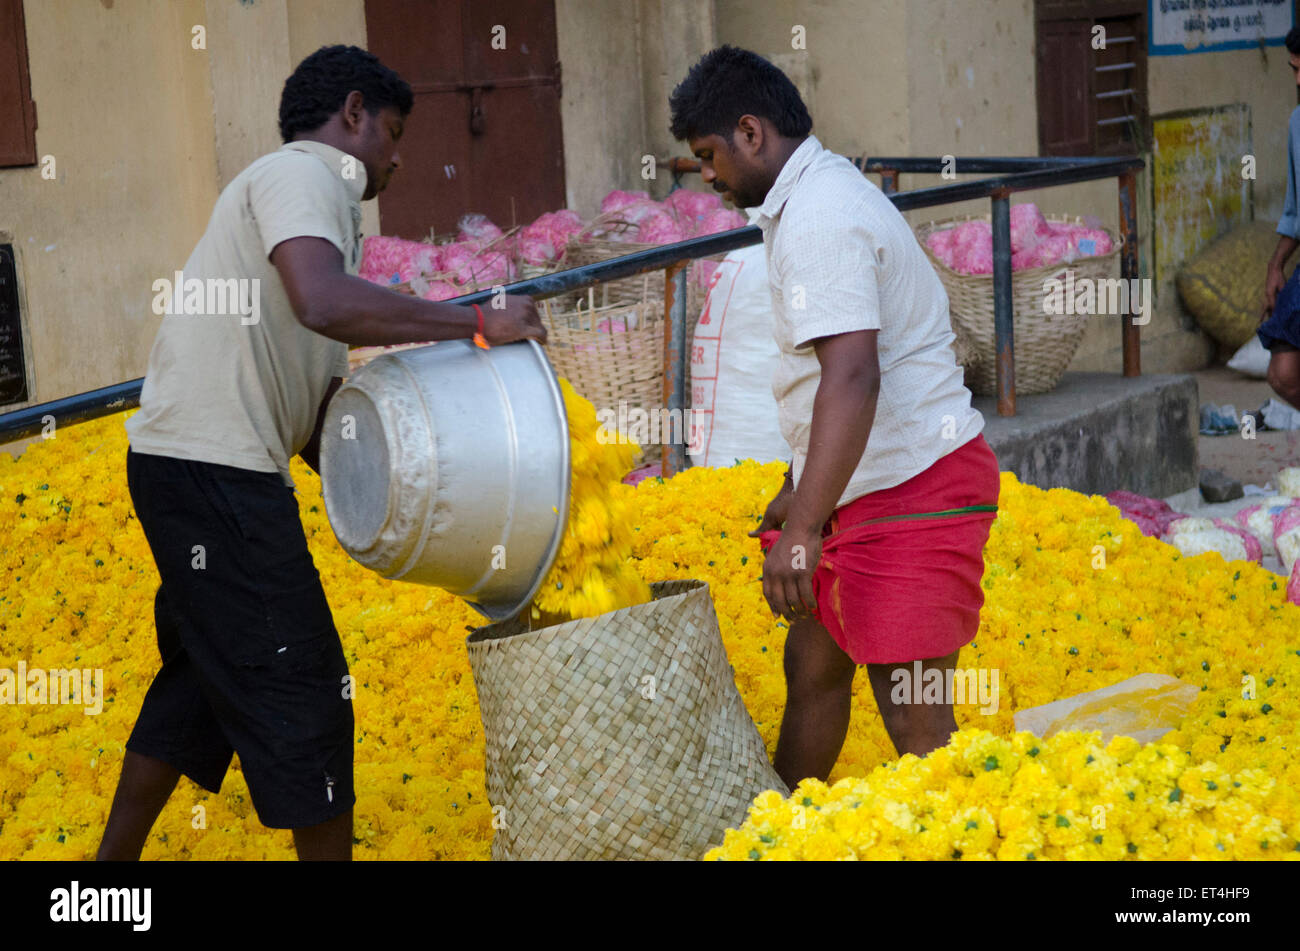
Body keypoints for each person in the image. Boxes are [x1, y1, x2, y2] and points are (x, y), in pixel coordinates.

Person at [97, 45, 545, 861]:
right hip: (215, 469)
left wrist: (425, 485)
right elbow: (324, 303)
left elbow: (322, 416)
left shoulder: (317, 211)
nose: (397, 157)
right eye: (393, 132)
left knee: (197, 683)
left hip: (188, 465)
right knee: (304, 682)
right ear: (351, 112)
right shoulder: (304, 173)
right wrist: (475, 320)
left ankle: (98, 883)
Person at [669, 46, 1000, 791]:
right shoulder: (808, 199)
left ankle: (961, 833)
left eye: (709, 156)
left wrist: (804, 528)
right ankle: (783, 827)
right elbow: (827, 376)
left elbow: (852, 376)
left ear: (751, 133)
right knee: (813, 662)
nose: (711, 176)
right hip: (867, 481)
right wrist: (801, 489)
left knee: (914, 711)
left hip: (914, 486)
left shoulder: (820, 215)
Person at [1259, 28, 1300, 412]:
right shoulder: (1297, 123)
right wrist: (1276, 265)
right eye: (1294, 70)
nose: (1299, 80)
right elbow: (1294, 211)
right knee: (1283, 373)